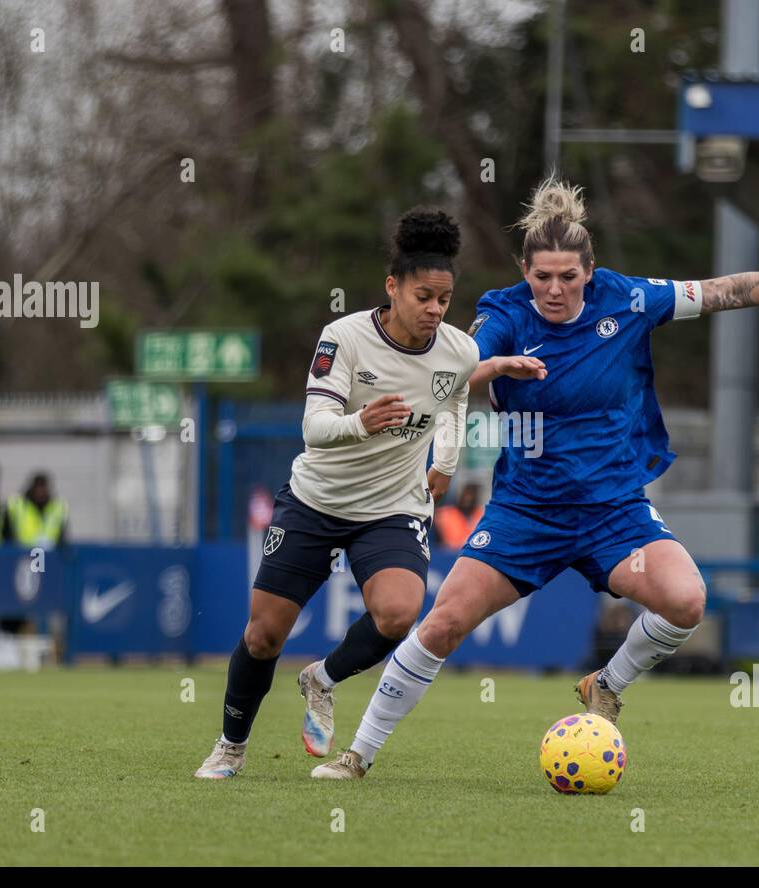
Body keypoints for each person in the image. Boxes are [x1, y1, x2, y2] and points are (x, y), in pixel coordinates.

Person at [311, 176, 759, 780]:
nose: (554, 289)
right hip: (525, 514)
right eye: (542, 277)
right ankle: (358, 756)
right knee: (444, 623)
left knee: (687, 600)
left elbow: (728, 291)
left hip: (614, 512)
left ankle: (607, 684)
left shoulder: (631, 301)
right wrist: (492, 366)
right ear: (524, 271)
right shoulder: (504, 313)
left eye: (568, 276)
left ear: (591, 270)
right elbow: (458, 366)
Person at [192, 207, 541, 780]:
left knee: (400, 613)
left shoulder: (457, 349)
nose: (434, 310)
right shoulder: (344, 338)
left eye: (444, 299)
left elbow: (453, 397)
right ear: (392, 287)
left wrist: (446, 462)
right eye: (423, 296)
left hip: (393, 506)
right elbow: (314, 429)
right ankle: (231, 746)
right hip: (316, 499)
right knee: (263, 635)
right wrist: (362, 422)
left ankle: (321, 679)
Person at [5, 473, 69, 547]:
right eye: (38, 487)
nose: (40, 491)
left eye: (43, 487)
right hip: (23, 553)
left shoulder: (58, 507)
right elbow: (6, 532)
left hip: (50, 554)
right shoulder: (17, 505)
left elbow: (62, 534)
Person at [433, 481, 484, 548]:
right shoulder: (444, 514)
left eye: (472, 496)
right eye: (466, 494)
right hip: (448, 554)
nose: (468, 499)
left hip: (472, 552)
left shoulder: (482, 513)